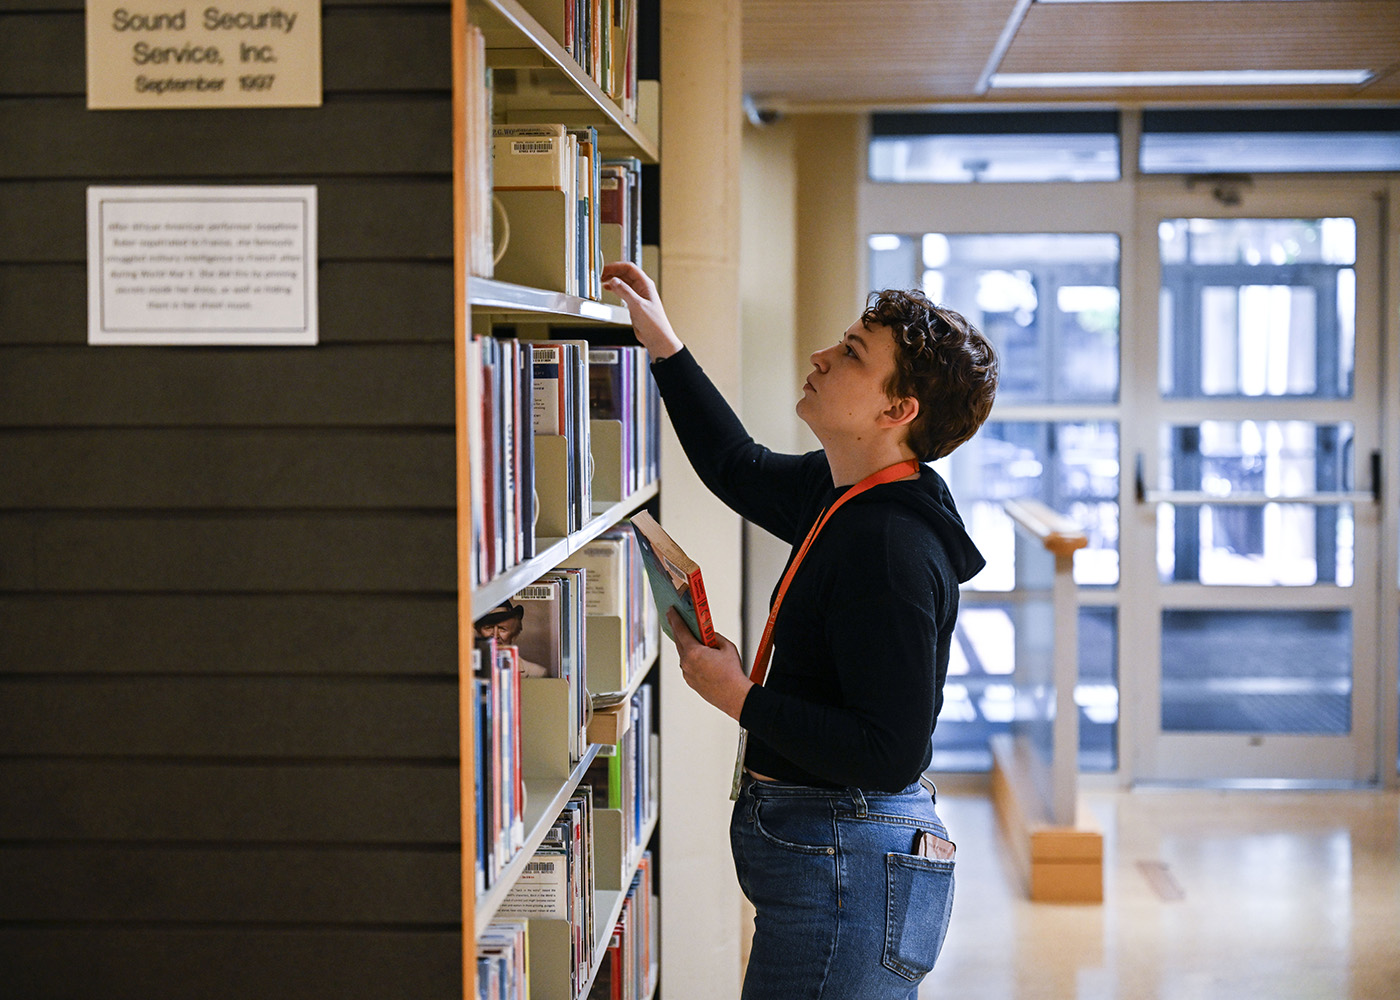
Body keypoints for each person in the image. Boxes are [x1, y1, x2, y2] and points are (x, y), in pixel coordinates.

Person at [601, 260, 997, 1000]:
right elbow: (735, 465)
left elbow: (890, 750)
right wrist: (663, 345)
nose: (821, 356)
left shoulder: (890, 548)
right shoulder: (843, 489)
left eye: (852, 354)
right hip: (831, 854)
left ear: (896, 411)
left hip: (849, 861)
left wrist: (741, 698)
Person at [474, 600, 549, 678]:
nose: (495, 636)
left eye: (502, 629)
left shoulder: (537, 673)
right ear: (479, 633)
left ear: (514, 634)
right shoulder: (468, 670)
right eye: (488, 628)